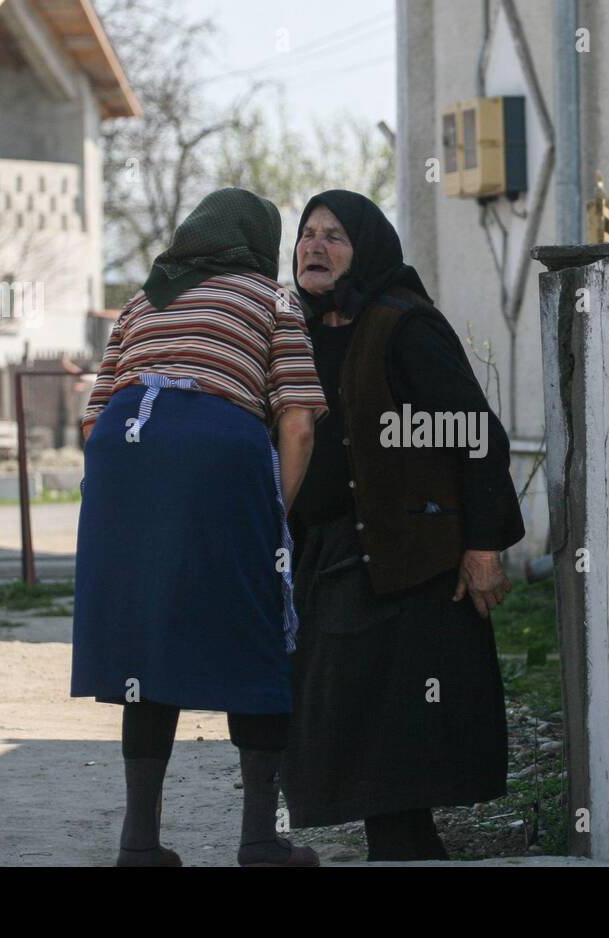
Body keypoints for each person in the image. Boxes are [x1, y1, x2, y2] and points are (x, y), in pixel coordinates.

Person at [71, 187, 327, 867]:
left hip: (125, 449)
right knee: (256, 628)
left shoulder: (143, 298)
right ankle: (259, 839)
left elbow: (94, 419)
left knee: (146, 642)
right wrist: (275, 509)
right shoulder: (271, 298)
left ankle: (139, 843)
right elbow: (298, 421)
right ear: (256, 239)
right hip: (215, 444)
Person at [282, 189, 525, 861]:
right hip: (335, 559)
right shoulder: (309, 331)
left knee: (389, 745)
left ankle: (403, 853)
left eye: (334, 236)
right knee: (362, 740)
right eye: (307, 234)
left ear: (367, 250)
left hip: (407, 568)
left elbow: (477, 436)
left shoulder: (401, 325)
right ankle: (409, 852)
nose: (314, 246)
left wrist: (482, 547)